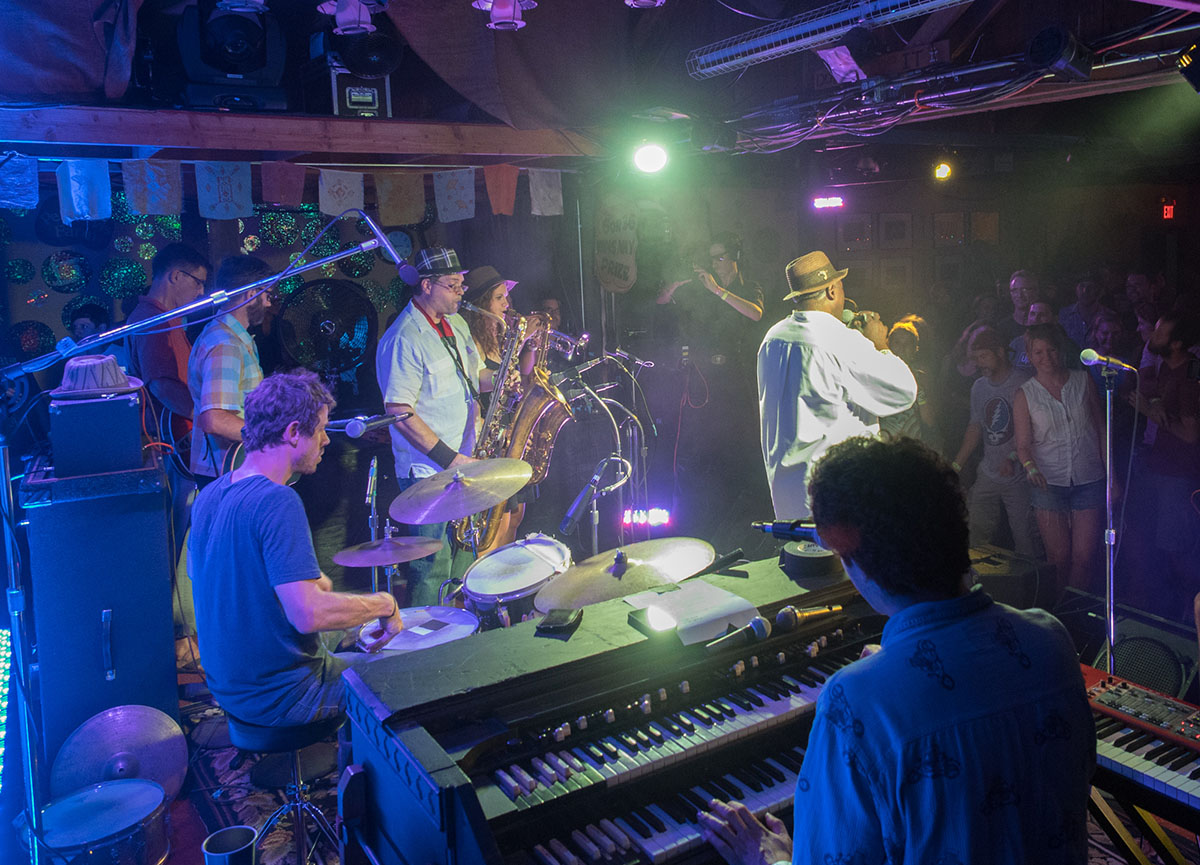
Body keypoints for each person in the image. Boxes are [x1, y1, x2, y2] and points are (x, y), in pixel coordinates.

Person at [698, 436, 1096, 865]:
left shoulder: (854, 702)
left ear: (854, 563)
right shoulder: (1050, 640)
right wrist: (897, 681)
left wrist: (770, 859)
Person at [188, 370, 403, 726]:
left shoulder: (210, 495)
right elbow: (307, 615)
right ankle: (357, 762)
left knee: (347, 632)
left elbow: (225, 586)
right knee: (403, 674)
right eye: (320, 430)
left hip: (229, 691)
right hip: (285, 695)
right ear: (292, 433)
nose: (326, 440)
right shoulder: (277, 500)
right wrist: (384, 603)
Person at [757, 251, 917, 519]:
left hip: (788, 495)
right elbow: (904, 391)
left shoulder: (773, 338)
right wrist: (879, 344)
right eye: (841, 287)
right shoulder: (840, 340)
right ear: (831, 290)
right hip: (839, 495)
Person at [375, 247, 494, 606]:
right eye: (452, 285)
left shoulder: (457, 324)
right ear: (426, 285)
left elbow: (476, 377)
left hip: (464, 462)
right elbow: (399, 410)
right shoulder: (404, 337)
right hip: (429, 470)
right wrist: (450, 458)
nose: (460, 292)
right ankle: (428, 638)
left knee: (466, 559)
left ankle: (463, 630)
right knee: (432, 568)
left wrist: (507, 378)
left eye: (461, 284)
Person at [1014, 323, 1106, 600]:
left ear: (1061, 350)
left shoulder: (1083, 380)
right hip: (1049, 483)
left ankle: (1071, 611)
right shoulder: (1025, 393)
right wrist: (1030, 468)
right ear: (1030, 356)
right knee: (1059, 558)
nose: (1046, 357)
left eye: (1051, 350)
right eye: (1039, 352)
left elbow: (1101, 428)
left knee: (1084, 558)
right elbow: (1023, 445)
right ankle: (1057, 612)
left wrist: (1112, 476)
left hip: (1089, 477)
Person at [1126, 309, 1200, 619]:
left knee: (1176, 545)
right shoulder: (1169, 366)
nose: (1152, 337)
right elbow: (1155, 391)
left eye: (1159, 333)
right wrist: (1155, 402)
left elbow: (1190, 434)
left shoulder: (1190, 375)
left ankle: (1185, 615)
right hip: (1161, 467)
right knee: (1158, 541)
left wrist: (1148, 411)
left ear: (1177, 343)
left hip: (1179, 474)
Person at [187, 255, 273, 487]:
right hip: (226, 471)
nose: (269, 304)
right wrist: (273, 438)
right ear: (250, 294)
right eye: (267, 295)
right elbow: (215, 420)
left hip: (230, 468)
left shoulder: (231, 337)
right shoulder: (226, 344)